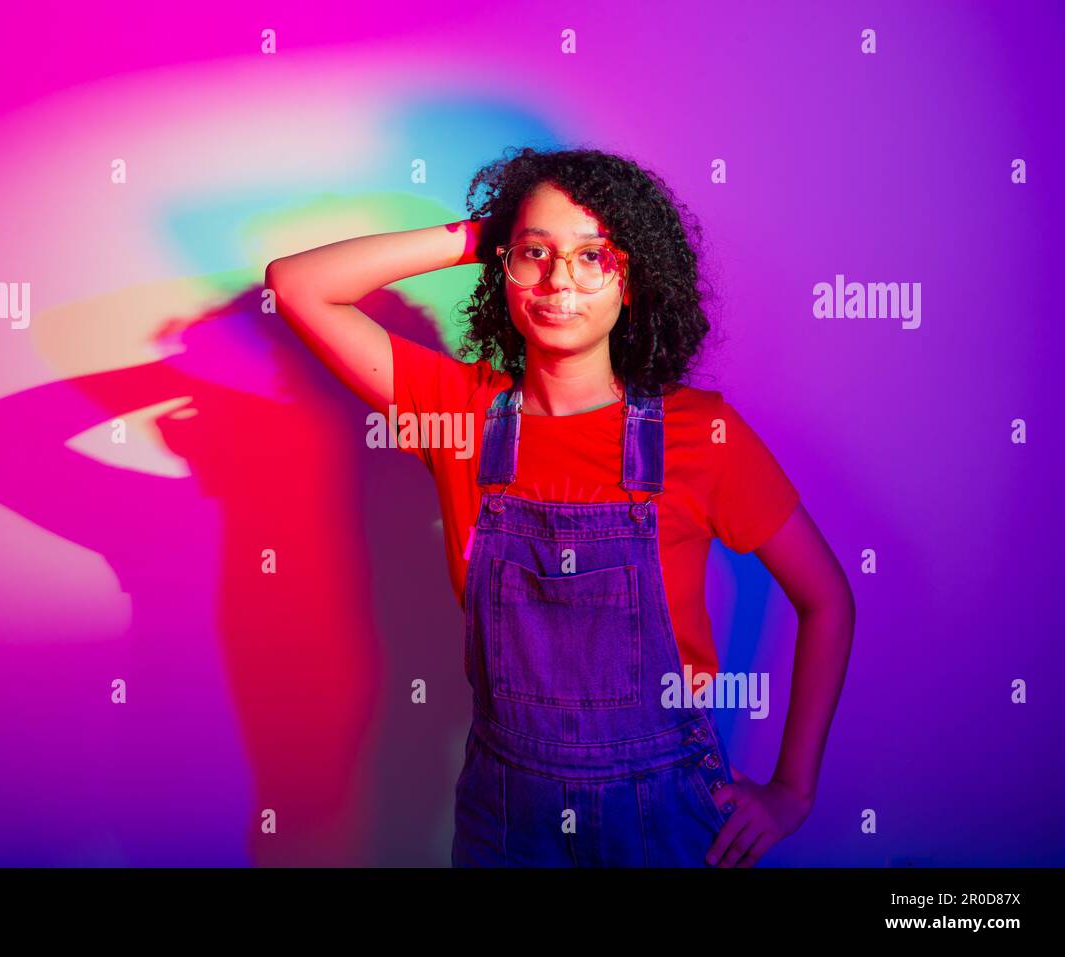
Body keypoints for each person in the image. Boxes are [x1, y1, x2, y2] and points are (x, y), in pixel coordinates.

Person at [266, 146, 854, 867]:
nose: (559, 281)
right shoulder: (458, 412)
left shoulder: (705, 435)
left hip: (664, 814)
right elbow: (296, 285)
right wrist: (489, 233)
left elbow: (827, 598)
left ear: (633, 281)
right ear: (504, 272)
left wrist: (793, 788)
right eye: (535, 255)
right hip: (505, 817)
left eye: (592, 257)